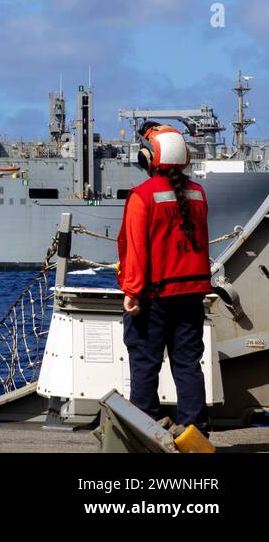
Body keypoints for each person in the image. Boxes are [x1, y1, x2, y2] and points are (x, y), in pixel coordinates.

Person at [117, 122, 212, 432]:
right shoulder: (198, 194)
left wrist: (131, 292)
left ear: (148, 158)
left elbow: (135, 250)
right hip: (191, 294)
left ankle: (145, 431)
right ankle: (195, 433)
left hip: (153, 297)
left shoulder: (142, 196)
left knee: (145, 365)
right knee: (187, 365)